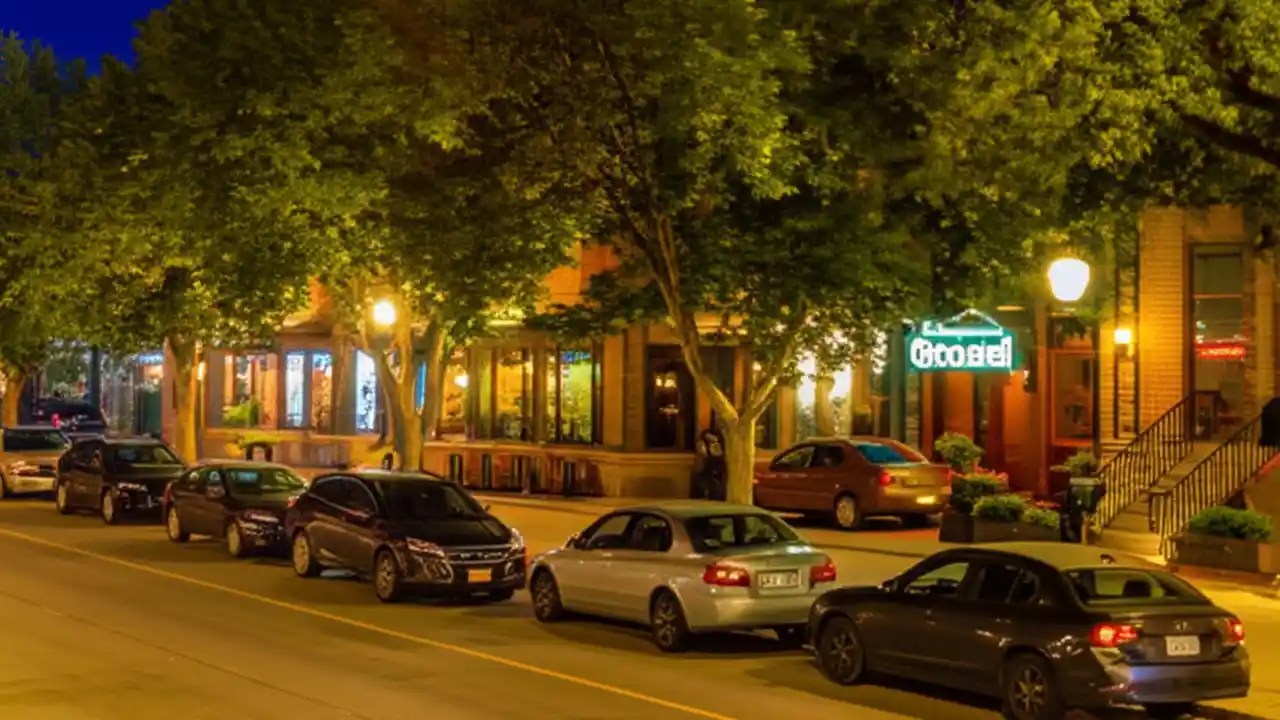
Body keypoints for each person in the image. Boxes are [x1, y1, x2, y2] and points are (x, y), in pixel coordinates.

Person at [691, 425, 727, 500]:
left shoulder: (720, 465)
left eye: (717, 442)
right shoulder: (702, 464)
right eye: (711, 442)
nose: (715, 445)